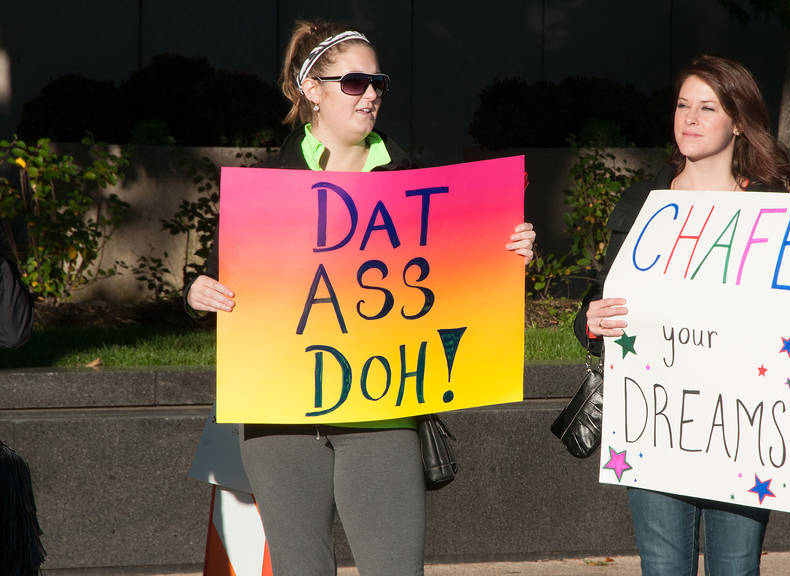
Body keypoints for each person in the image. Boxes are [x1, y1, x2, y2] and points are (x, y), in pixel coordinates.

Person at [185, 21, 535, 576]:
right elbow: (220, 281)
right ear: (312, 90)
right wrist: (197, 294)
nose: (370, 93)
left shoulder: (416, 186)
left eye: (378, 83)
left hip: (381, 411)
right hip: (278, 417)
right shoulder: (264, 188)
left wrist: (508, 250)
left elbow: (458, 273)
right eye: (354, 82)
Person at [573, 54, 790, 576]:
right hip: (656, 425)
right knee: (663, 567)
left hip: (738, 431)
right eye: (683, 105)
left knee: (735, 567)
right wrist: (591, 322)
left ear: (738, 122)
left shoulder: (773, 210)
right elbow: (601, 308)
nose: (690, 118)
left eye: (707, 108)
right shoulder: (643, 204)